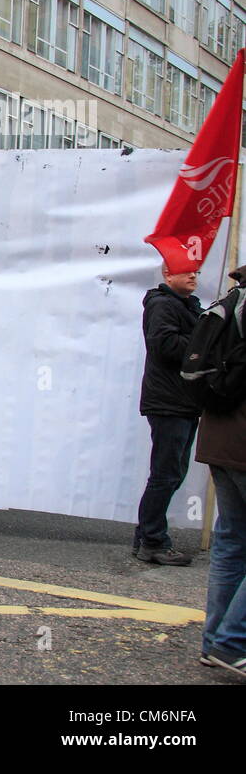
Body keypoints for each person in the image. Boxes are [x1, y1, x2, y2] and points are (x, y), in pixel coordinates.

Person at [133, 262, 203, 565]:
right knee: (166, 474)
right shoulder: (163, 305)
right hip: (169, 401)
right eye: (186, 271)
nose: (193, 276)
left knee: (172, 473)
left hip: (181, 400)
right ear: (167, 275)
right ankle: (153, 540)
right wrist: (204, 343)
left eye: (196, 272)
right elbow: (164, 346)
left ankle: (147, 535)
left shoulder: (186, 305)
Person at [197, 264, 246, 676]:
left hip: (218, 433)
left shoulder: (229, 301)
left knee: (231, 541)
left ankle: (215, 641)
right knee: (232, 540)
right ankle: (232, 643)